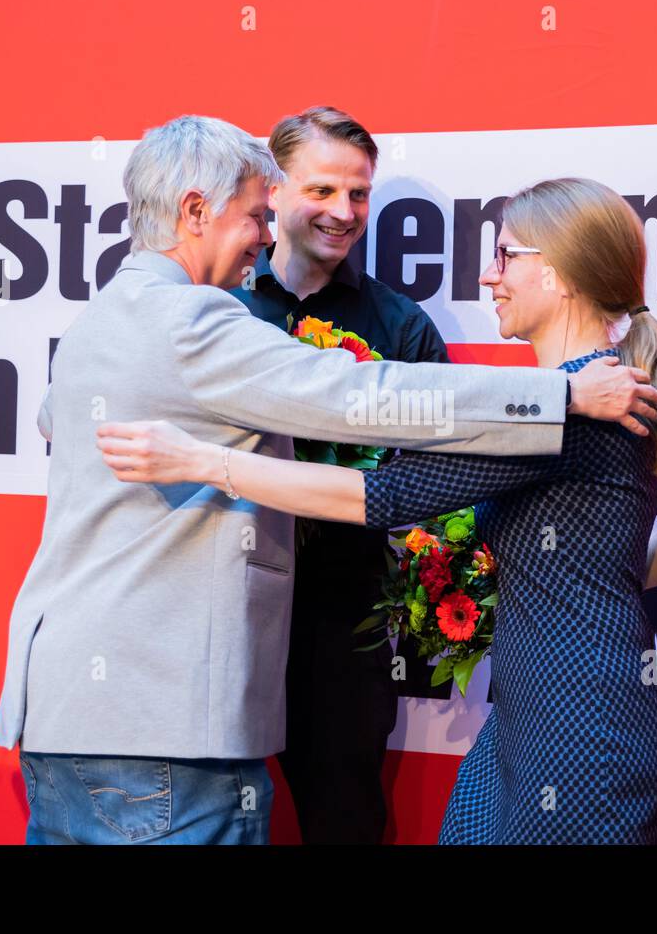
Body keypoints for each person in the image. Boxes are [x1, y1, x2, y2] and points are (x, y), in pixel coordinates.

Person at [0, 115, 657, 845]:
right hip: (160, 727)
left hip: (70, 719)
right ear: (194, 213)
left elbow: (55, 420)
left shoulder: (99, 322)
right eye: (256, 214)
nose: (263, 233)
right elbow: (363, 400)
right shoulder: (194, 321)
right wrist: (558, 398)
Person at [228, 106, 455, 844]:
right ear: (275, 189)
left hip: (345, 614)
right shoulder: (214, 308)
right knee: (203, 819)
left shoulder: (400, 324)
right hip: (218, 603)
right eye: (322, 191)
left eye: (359, 195)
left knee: (346, 822)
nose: (344, 212)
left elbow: (441, 475)